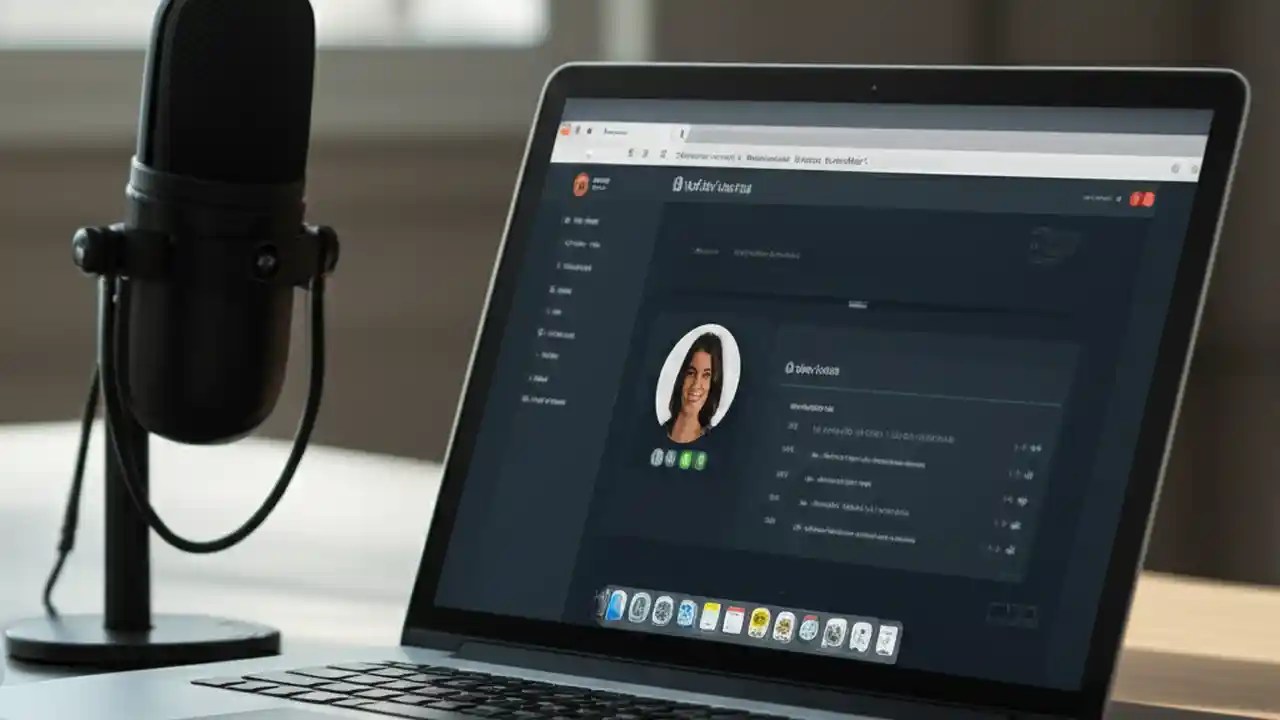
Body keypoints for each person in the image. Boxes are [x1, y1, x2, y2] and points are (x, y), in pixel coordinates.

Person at [664, 332, 724, 444]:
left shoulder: (716, 442)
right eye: (691, 373)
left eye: (706, 376)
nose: (696, 384)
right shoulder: (651, 429)